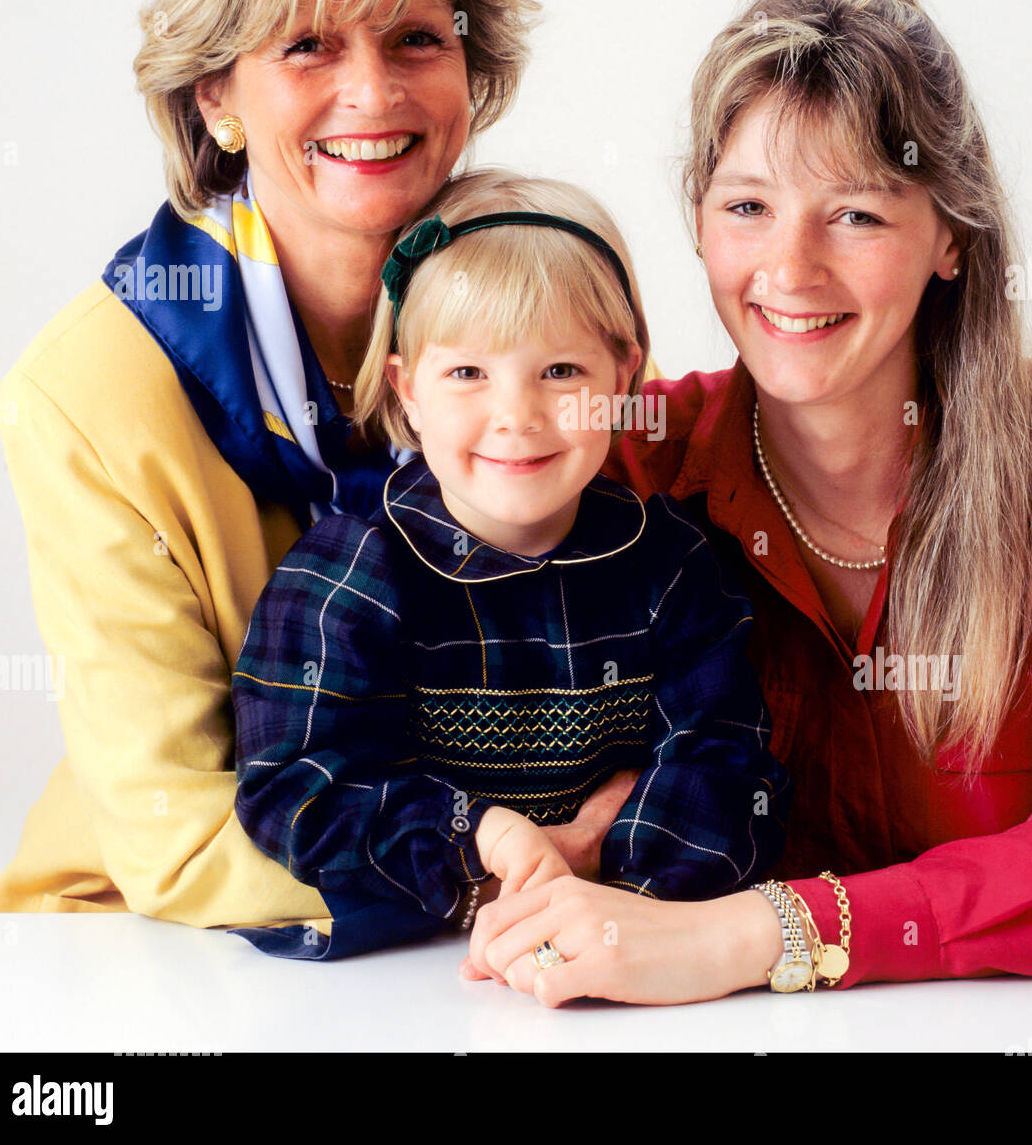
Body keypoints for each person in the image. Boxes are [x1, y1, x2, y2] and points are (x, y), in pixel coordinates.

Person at [462, 0, 1032, 1005]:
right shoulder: (621, 461)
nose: (790, 268)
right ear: (697, 221)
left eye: (856, 215)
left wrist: (758, 932)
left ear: (951, 234)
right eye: (747, 205)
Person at [0, 0, 624, 925]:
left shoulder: (537, 320)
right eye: (307, 47)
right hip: (146, 943)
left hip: (491, 944)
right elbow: (176, 844)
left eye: (417, 39)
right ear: (214, 98)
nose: (373, 95)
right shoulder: (87, 391)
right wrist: (499, 875)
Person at [225, 170, 790, 959]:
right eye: (467, 373)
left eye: (561, 371)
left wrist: (597, 853)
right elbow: (296, 787)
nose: (516, 416)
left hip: (614, 941)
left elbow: (734, 779)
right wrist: (481, 838)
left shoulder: (669, 565)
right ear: (407, 388)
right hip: (401, 968)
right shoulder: (349, 572)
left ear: (622, 380)